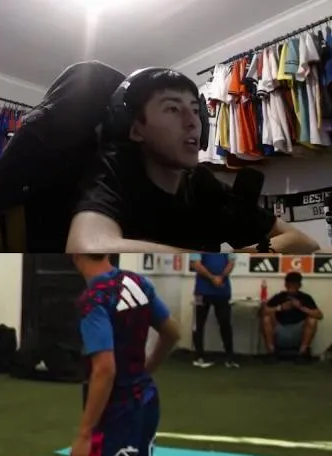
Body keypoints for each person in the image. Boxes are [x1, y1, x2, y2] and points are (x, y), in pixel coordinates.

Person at [70, 254, 254, 456]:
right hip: (145, 398)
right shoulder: (137, 282)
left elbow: (105, 370)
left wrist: (84, 434)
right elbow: (172, 333)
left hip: (117, 410)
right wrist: (147, 370)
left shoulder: (93, 299)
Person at [63, 67, 319, 255]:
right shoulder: (114, 171)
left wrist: (243, 258)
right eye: (173, 109)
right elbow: (86, 248)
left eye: (195, 111)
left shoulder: (202, 183)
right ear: (135, 129)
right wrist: (210, 262)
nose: (192, 122)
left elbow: (302, 242)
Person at [189, 252, 237, 368]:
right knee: (199, 324)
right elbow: (196, 264)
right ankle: (199, 357)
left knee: (225, 323)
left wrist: (221, 277)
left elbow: (231, 262)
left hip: (222, 290)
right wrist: (212, 278)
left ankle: (229, 358)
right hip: (202, 291)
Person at [262, 271, 322, 362]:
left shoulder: (305, 297)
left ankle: (302, 352)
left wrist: (301, 307)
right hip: (280, 330)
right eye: (290, 284)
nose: (292, 287)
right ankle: (271, 351)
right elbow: (263, 312)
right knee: (266, 318)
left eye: (295, 285)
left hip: (298, 331)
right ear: (286, 285)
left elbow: (319, 315)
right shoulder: (279, 296)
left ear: (299, 285)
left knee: (312, 319)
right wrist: (280, 308)